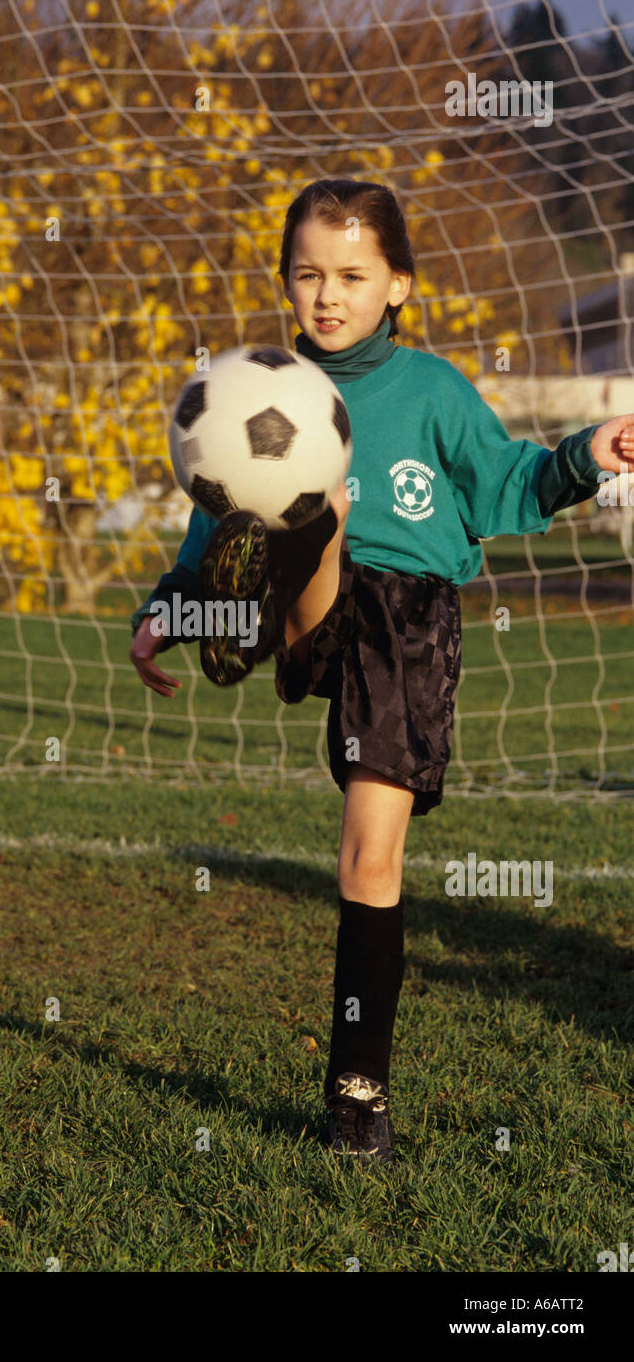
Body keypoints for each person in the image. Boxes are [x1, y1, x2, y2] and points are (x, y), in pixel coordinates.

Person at [129, 178, 634, 1165]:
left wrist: (588, 454)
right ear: (286, 280)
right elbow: (205, 529)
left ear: (397, 283)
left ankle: (358, 1096)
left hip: (406, 628)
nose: (328, 294)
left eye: (353, 275)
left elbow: (509, 485)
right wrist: (166, 610)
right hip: (315, 597)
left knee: (369, 858)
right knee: (279, 515)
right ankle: (255, 601)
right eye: (308, 273)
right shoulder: (257, 391)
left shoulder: (435, 391)